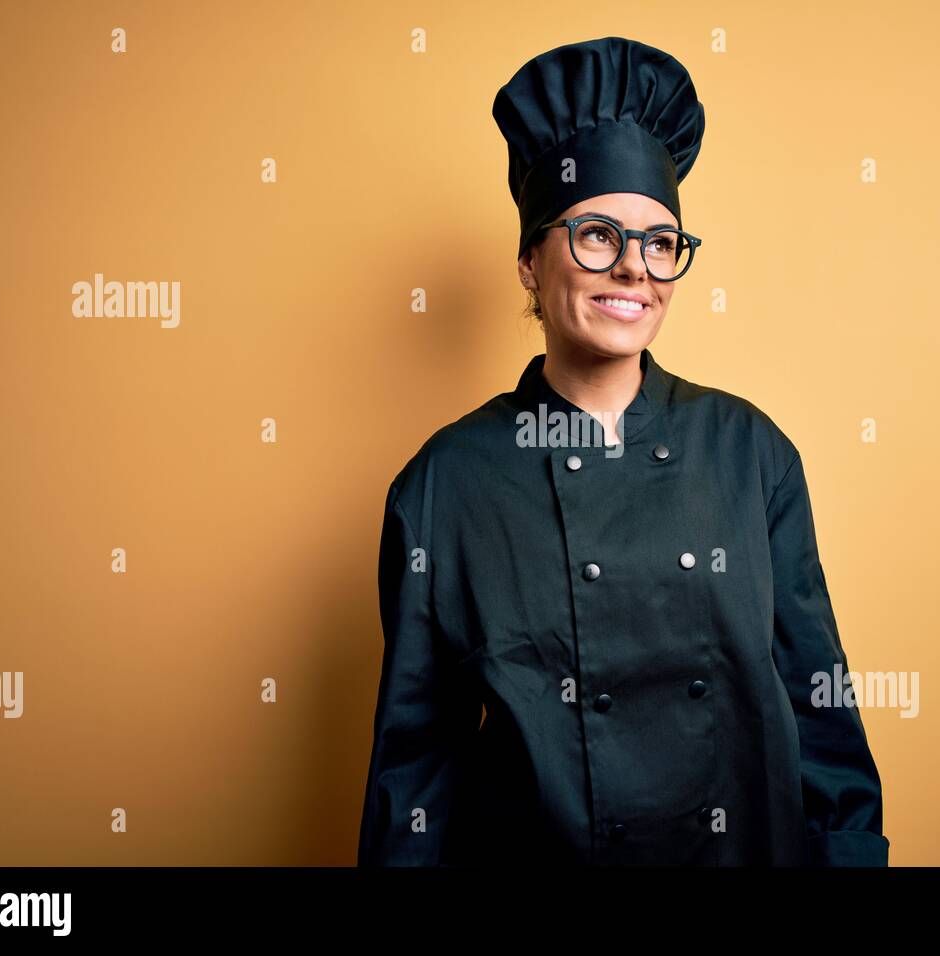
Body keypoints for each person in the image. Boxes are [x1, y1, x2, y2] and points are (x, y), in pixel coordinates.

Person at [357, 35, 889, 866]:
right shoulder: (445, 484)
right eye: (597, 236)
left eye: (660, 241)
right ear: (532, 261)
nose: (634, 269)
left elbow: (820, 709)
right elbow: (417, 759)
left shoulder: (751, 453)